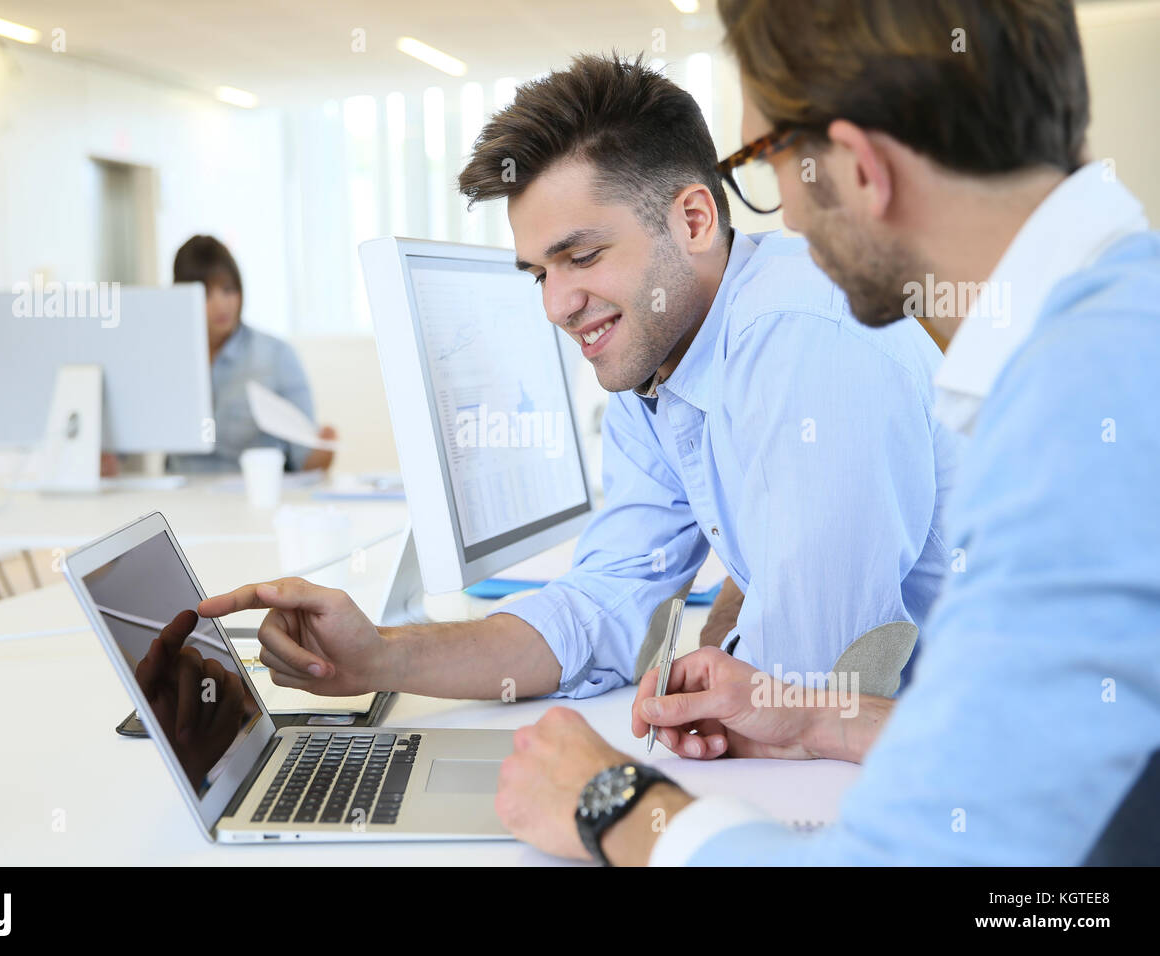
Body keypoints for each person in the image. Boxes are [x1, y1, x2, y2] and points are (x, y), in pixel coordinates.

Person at [493, 0, 1160, 865]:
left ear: (857, 166)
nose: (785, 226)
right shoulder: (1106, 336)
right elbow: (1033, 754)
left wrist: (617, 805)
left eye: (764, 164)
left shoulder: (1085, 401)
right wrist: (816, 715)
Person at [198, 59, 959, 740]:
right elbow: (604, 607)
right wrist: (377, 657)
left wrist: (705, 675)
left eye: (583, 256)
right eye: (539, 273)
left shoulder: (806, 343)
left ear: (694, 220)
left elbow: (807, 691)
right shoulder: (657, 365)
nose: (557, 305)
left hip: (997, 779)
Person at [105, 235, 335, 475]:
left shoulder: (276, 356)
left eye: (228, 289)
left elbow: (306, 460)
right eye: (206, 294)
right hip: (179, 498)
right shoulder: (159, 358)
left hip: (249, 497)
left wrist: (323, 451)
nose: (221, 304)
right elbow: (121, 442)